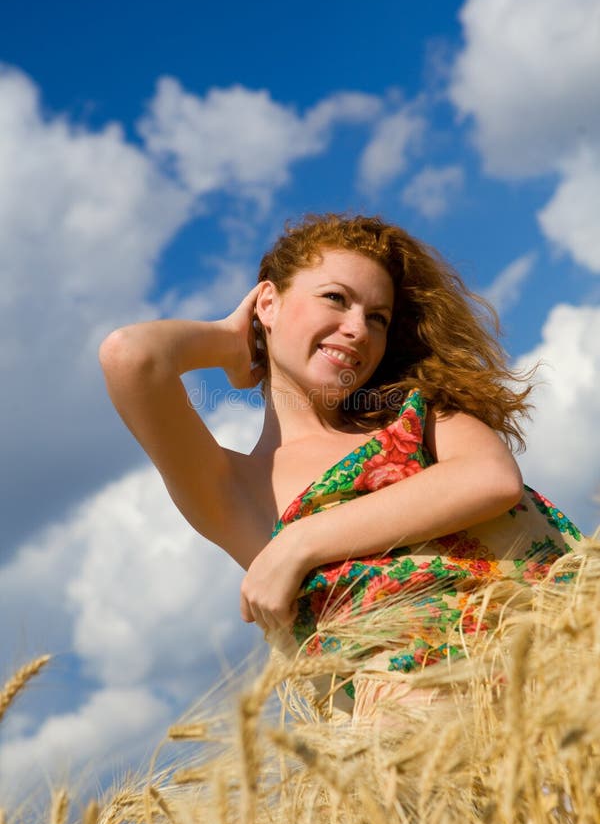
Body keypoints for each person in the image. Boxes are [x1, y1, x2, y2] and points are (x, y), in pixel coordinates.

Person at [99, 213, 582, 718]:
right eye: (335, 298)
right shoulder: (239, 490)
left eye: (378, 318)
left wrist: (299, 544)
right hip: (430, 756)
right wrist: (229, 340)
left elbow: (491, 479)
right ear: (267, 302)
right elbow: (130, 356)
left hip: (566, 686)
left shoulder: (419, 417)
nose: (357, 329)